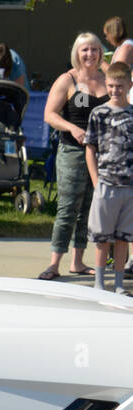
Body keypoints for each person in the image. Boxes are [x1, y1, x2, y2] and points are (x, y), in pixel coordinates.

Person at [39, 32, 108, 280]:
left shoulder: (107, 79)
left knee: (89, 209)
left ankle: (78, 262)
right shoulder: (67, 80)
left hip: (104, 154)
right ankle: (54, 263)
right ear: (76, 54)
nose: (90, 54)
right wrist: (72, 127)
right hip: (73, 151)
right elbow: (50, 114)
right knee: (68, 207)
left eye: (94, 49)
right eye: (84, 50)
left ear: (101, 52)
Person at [84, 61, 133, 294]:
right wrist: (96, 180)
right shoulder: (98, 113)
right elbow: (90, 148)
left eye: (120, 86)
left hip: (129, 186)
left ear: (129, 85)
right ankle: (100, 283)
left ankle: (120, 283)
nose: (115, 90)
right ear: (107, 85)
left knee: (124, 238)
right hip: (106, 184)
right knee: (102, 238)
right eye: (111, 86)